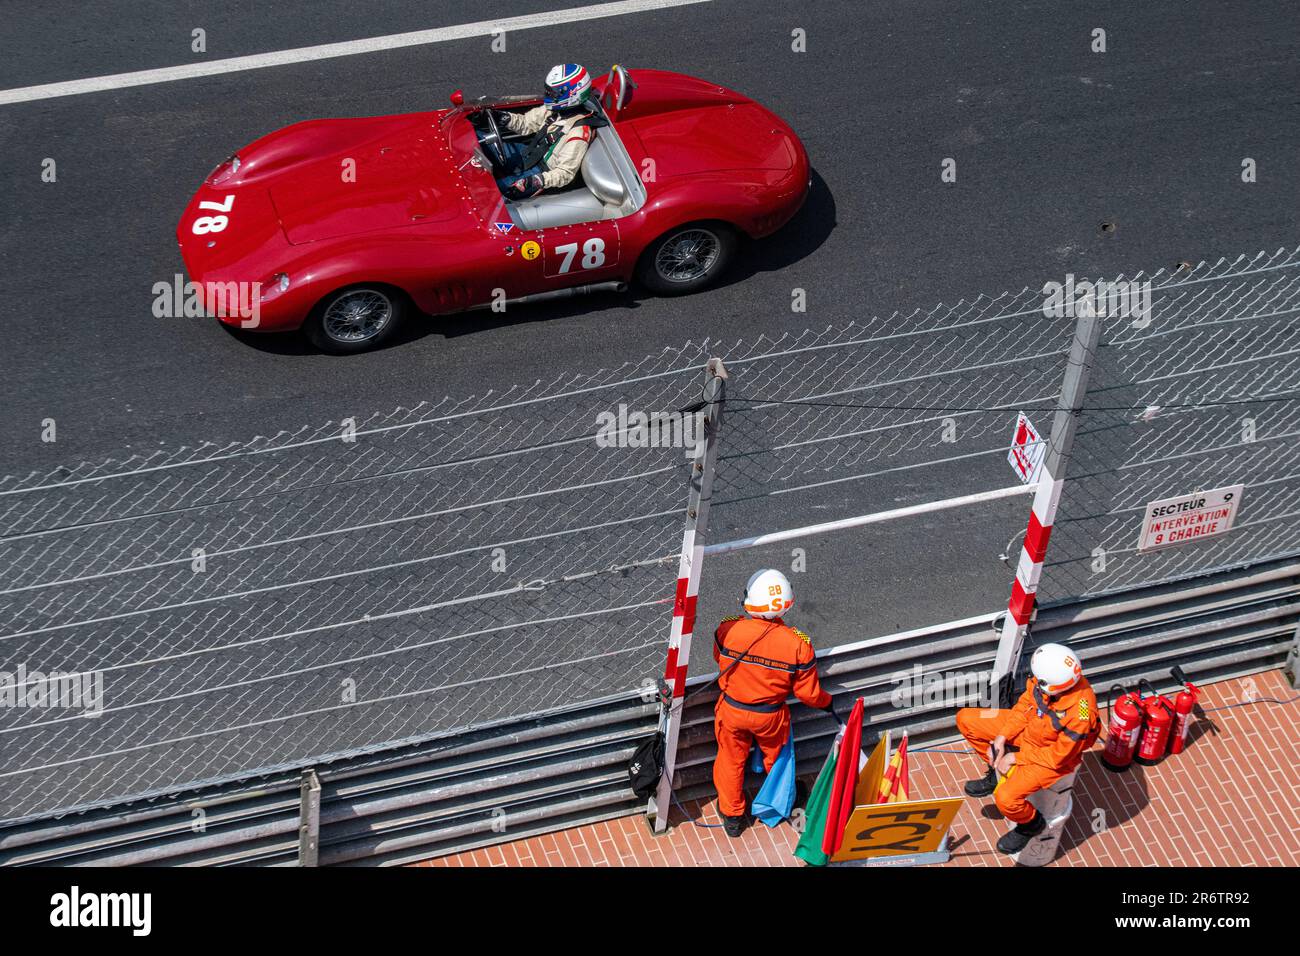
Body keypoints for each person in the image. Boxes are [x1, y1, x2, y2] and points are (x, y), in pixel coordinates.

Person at [711, 569, 833, 838]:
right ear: (786, 605)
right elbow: (808, 694)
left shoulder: (726, 629)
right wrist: (828, 703)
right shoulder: (798, 644)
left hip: (731, 711)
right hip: (771, 716)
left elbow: (718, 659)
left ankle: (732, 818)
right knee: (777, 760)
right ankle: (782, 803)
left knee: (730, 761)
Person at [955, 643, 1100, 854]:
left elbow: (1058, 756)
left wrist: (1016, 758)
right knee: (966, 719)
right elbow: (1024, 707)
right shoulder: (1047, 681)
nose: (1033, 680)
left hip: (1051, 758)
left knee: (1006, 799)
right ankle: (995, 770)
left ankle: (1030, 824)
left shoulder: (1082, 713)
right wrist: (1001, 737)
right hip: (1030, 733)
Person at [492, 63, 597, 199]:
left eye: (553, 93)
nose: (548, 95)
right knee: (479, 138)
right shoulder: (554, 109)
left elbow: (565, 173)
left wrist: (538, 180)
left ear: (573, 94)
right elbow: (526, 123)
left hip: (540, 172)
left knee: (489, 191)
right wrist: (502, 117)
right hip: (528, 152)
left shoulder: (579, 133)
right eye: (549, 91)